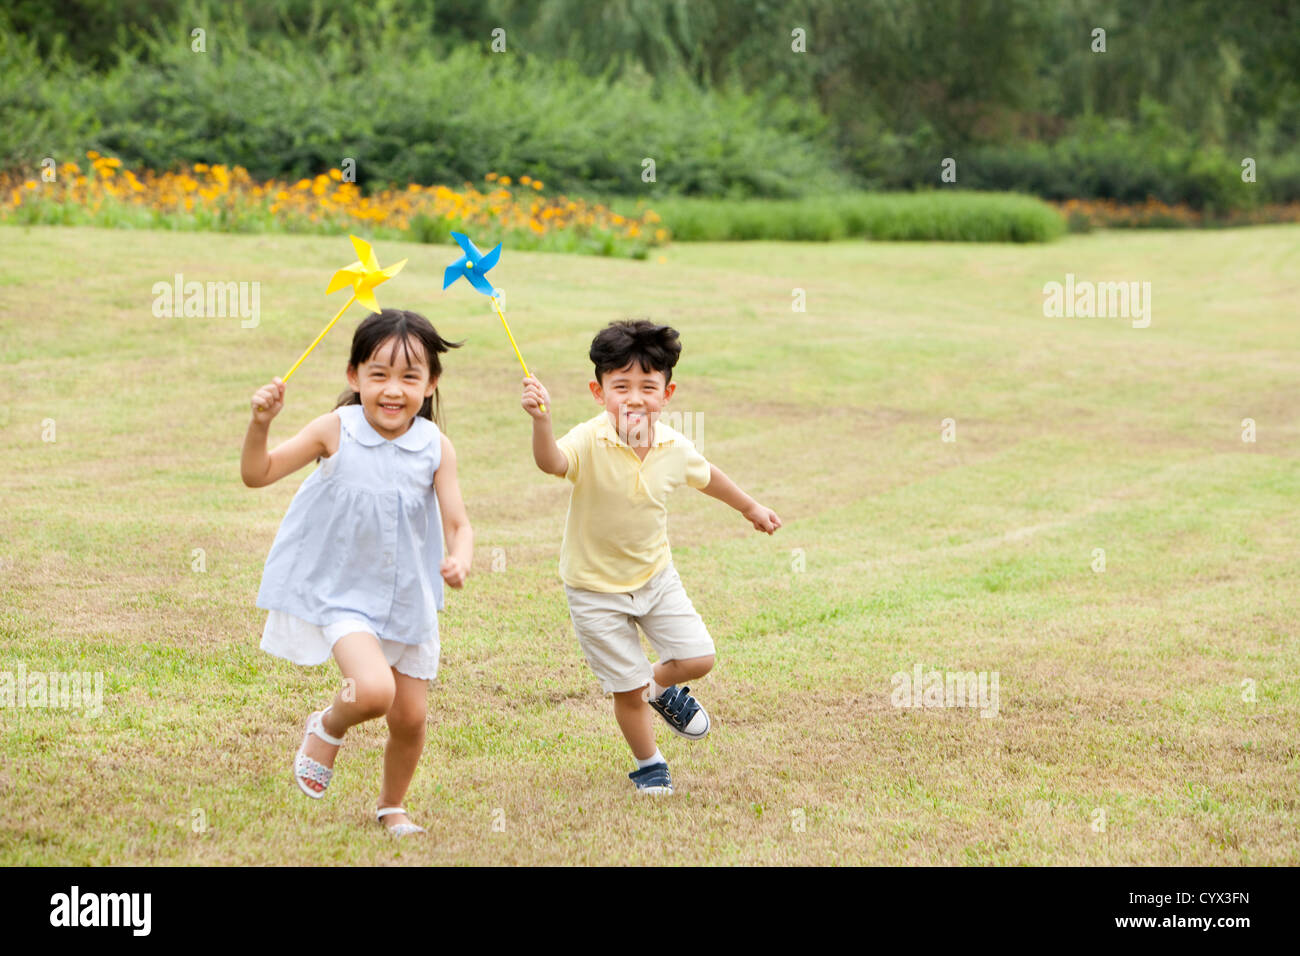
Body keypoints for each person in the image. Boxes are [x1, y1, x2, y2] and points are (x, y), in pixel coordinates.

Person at [521, 319, 781, 795]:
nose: (634, 398)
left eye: (648, 386)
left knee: (699, 656)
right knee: (625, 687)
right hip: (594, 588)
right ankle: (648, 762)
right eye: (621, 386)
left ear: (668, 393)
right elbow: (552, 463)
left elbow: (709, 476)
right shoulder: (587, 438)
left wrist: (751, 508)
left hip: (656, 577)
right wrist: (542, 422)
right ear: (599, 393)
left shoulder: (672, 446)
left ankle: (658, 689)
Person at [242, 309, 472, 836]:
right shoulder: (334, 430)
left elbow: (459, 523)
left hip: (409, 597)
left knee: (410, 720)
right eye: (379, 374)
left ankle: (392, 807)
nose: (393, 390)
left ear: (431, 383)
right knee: (371, 691)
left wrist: (460, 557)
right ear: (354, 376)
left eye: (410, 377)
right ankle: (328, 723)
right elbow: (258, 474)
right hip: (344, 594)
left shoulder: (436, 447)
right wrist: (260, 425)